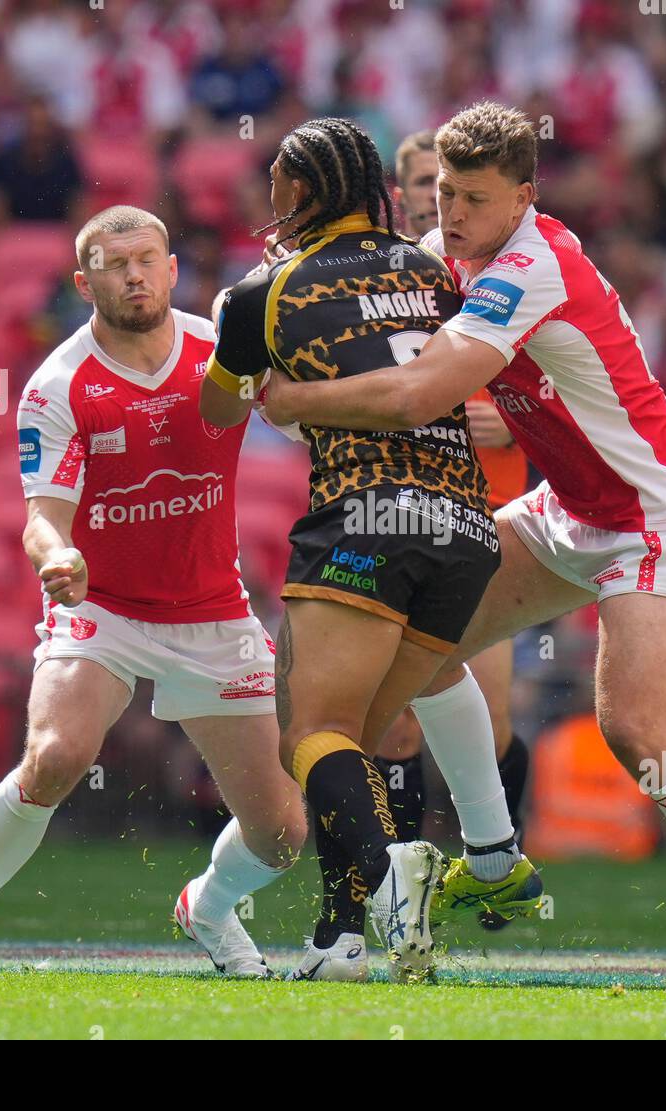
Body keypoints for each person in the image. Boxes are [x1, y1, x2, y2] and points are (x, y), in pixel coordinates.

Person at [264, 102, 666, 991]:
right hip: (570, 508)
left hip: (659, 514)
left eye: (475, 198)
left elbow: (417, 396)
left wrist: (294, 401)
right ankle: (494, 863)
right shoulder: (465, 256)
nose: (452, 214)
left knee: (637, 728)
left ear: (524, 195)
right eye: (444, 192)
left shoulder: (531, 266)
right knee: (428, 634)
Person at [0, 205, 306, 978]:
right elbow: (40, 521)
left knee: (282, 835)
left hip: (214, 610)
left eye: (146, 259)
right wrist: (58, 558)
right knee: (56, 756)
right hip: (105, 609)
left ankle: (210, 906)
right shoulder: (57, 384)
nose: (133, 274)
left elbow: (298, 416)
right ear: (82, 280)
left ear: (171, 269)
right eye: (114, 263)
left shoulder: (223, 349)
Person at [201, 117, 540, 983]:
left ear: (304, 190)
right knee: (352, 747)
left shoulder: (260, 292)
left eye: (277, 176)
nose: (266, 192)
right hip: (467, 532)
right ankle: (339, 940)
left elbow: (220, 409)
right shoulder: (435, 271)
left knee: (311, 734)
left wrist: (240, 354)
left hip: (363, 517)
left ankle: (395, 883)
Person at [383, 129, 533, 931]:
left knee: (493, 718)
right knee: (402, 710)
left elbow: (556, 386)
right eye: (420, 184)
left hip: (494, 517)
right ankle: (401, 899)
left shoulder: (510, 274)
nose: (429, 199)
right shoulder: (399, 281)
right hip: (411, 512)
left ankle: (497, 860)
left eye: (441, 186)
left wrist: (511, 418)